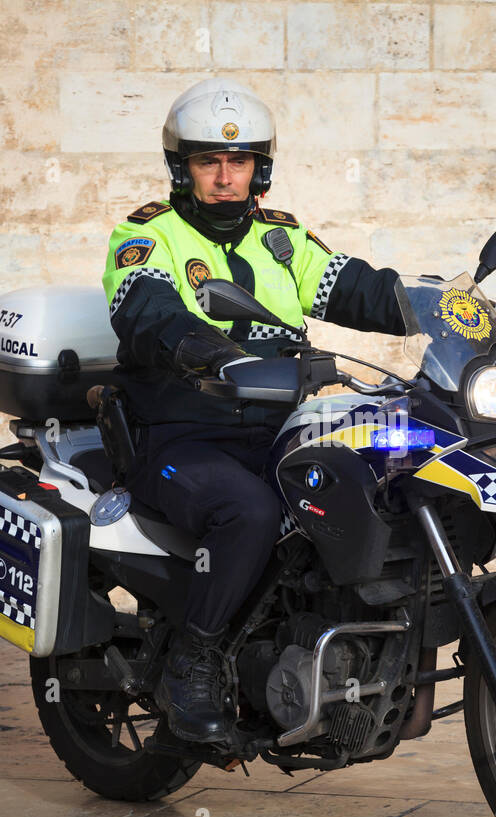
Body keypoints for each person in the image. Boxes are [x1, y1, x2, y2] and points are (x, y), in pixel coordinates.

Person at [101, 79, 404, 744]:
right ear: (182, 169)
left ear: (259, 169)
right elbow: (148, 310)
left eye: (238, 163)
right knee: (251, 511)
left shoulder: (281, 240)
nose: (225, 177)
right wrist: (203, 350)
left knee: (370, 478)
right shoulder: (149, 234)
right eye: (209, 162)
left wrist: (434, 307)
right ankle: (195, 657)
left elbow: (353, 287)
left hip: (272, 432)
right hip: (179, 437)